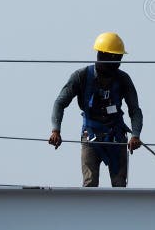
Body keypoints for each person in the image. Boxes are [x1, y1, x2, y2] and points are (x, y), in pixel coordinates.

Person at [48, 32, 143, 187]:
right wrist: (56, 130)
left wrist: (135, 135)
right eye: (114, 59)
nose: (118, 63)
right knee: (90, 184)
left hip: (116, 136)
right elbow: (60, 103)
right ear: (102, 56)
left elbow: (135, 110)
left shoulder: (123, 79)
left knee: (119, 184)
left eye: (119, 59)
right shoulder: (81, 77)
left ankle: (119, 204)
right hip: (90, 136)